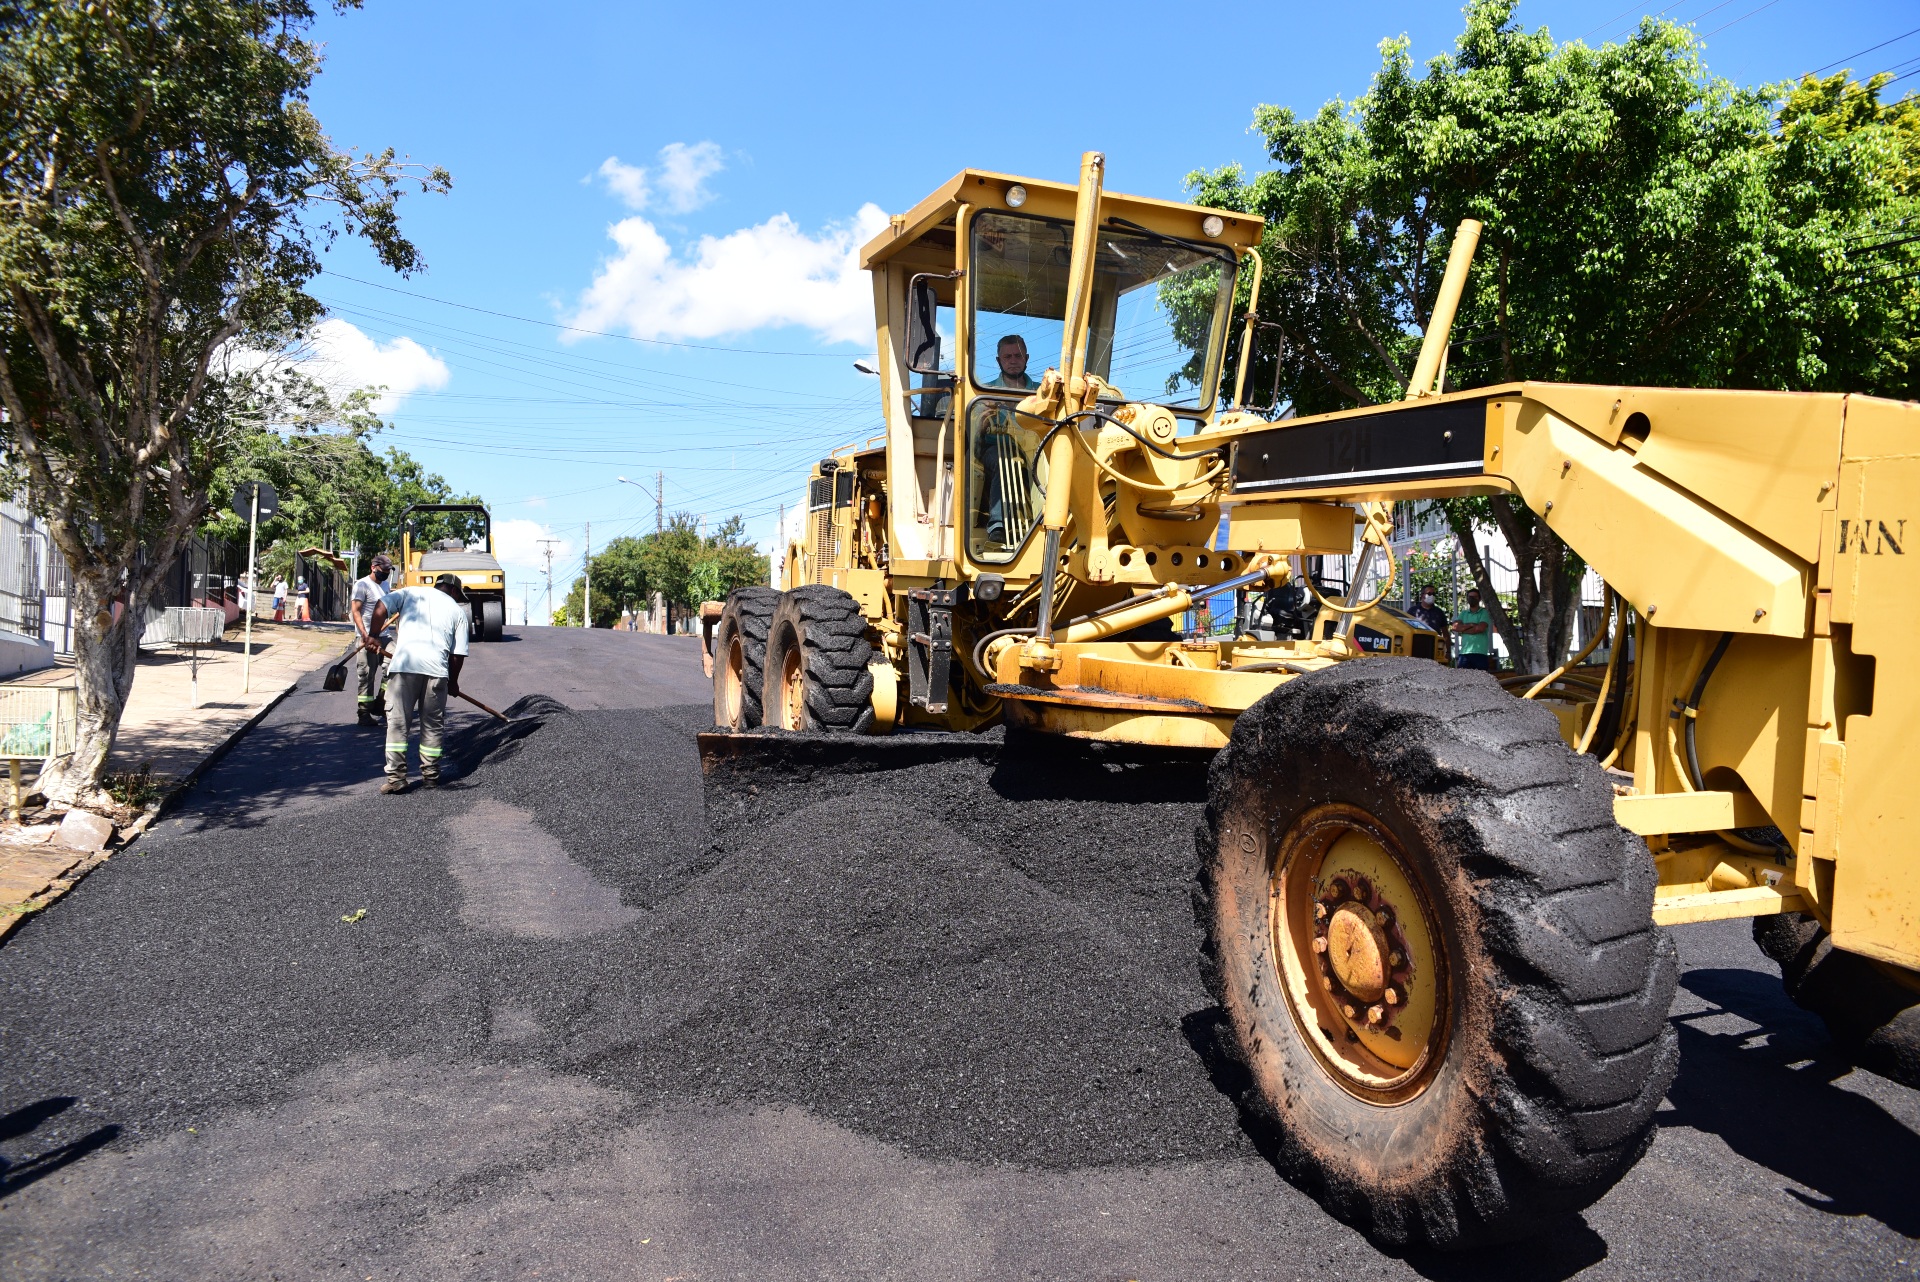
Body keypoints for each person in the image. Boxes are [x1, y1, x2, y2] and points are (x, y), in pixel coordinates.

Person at [365, 572, 470, 794]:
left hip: (404, 667)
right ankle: (431, 776)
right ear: (453, 590)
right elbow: (457, 655)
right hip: (437, 671)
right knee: (432, 724)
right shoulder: (457, 611)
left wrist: (373, 634)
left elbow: (381, 607)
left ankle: (396, 778)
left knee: (398, 723)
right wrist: (453, 682)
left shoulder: (409, 593)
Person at [349, 554, 395, 728]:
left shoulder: (385, 585)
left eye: (388, 572)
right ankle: (364, 713)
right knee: (367, 674)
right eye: (383, 571)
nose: (386, 574)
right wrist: (364, 635)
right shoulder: (362, 585)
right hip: (366, 637)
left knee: (396, 662)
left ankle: (381, 702)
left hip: (383, 636)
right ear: (373, 567)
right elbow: (356, 611)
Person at [1452, 587, 1495, 671]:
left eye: (1474, 597)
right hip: (1464, 653)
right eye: (1470, 597)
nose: (1471, 599)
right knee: (1462, 680)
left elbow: (1480, 628)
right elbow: (1455, 627)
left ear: (1479, 599)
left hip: (1480, 653)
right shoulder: (1464, 613)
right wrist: (1472, 624)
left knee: (1481, 681)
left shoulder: (1484, 612)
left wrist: (1463, 628)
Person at [1413, 586, 1449, 652]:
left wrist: (1448, 651)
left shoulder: (1439, 612)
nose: (1431, 596)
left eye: (1433, 594)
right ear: (1422, 595)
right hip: (1417, 647)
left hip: (1435, 647)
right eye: (1429, 594)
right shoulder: (1413, 611)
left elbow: (1445, 633)